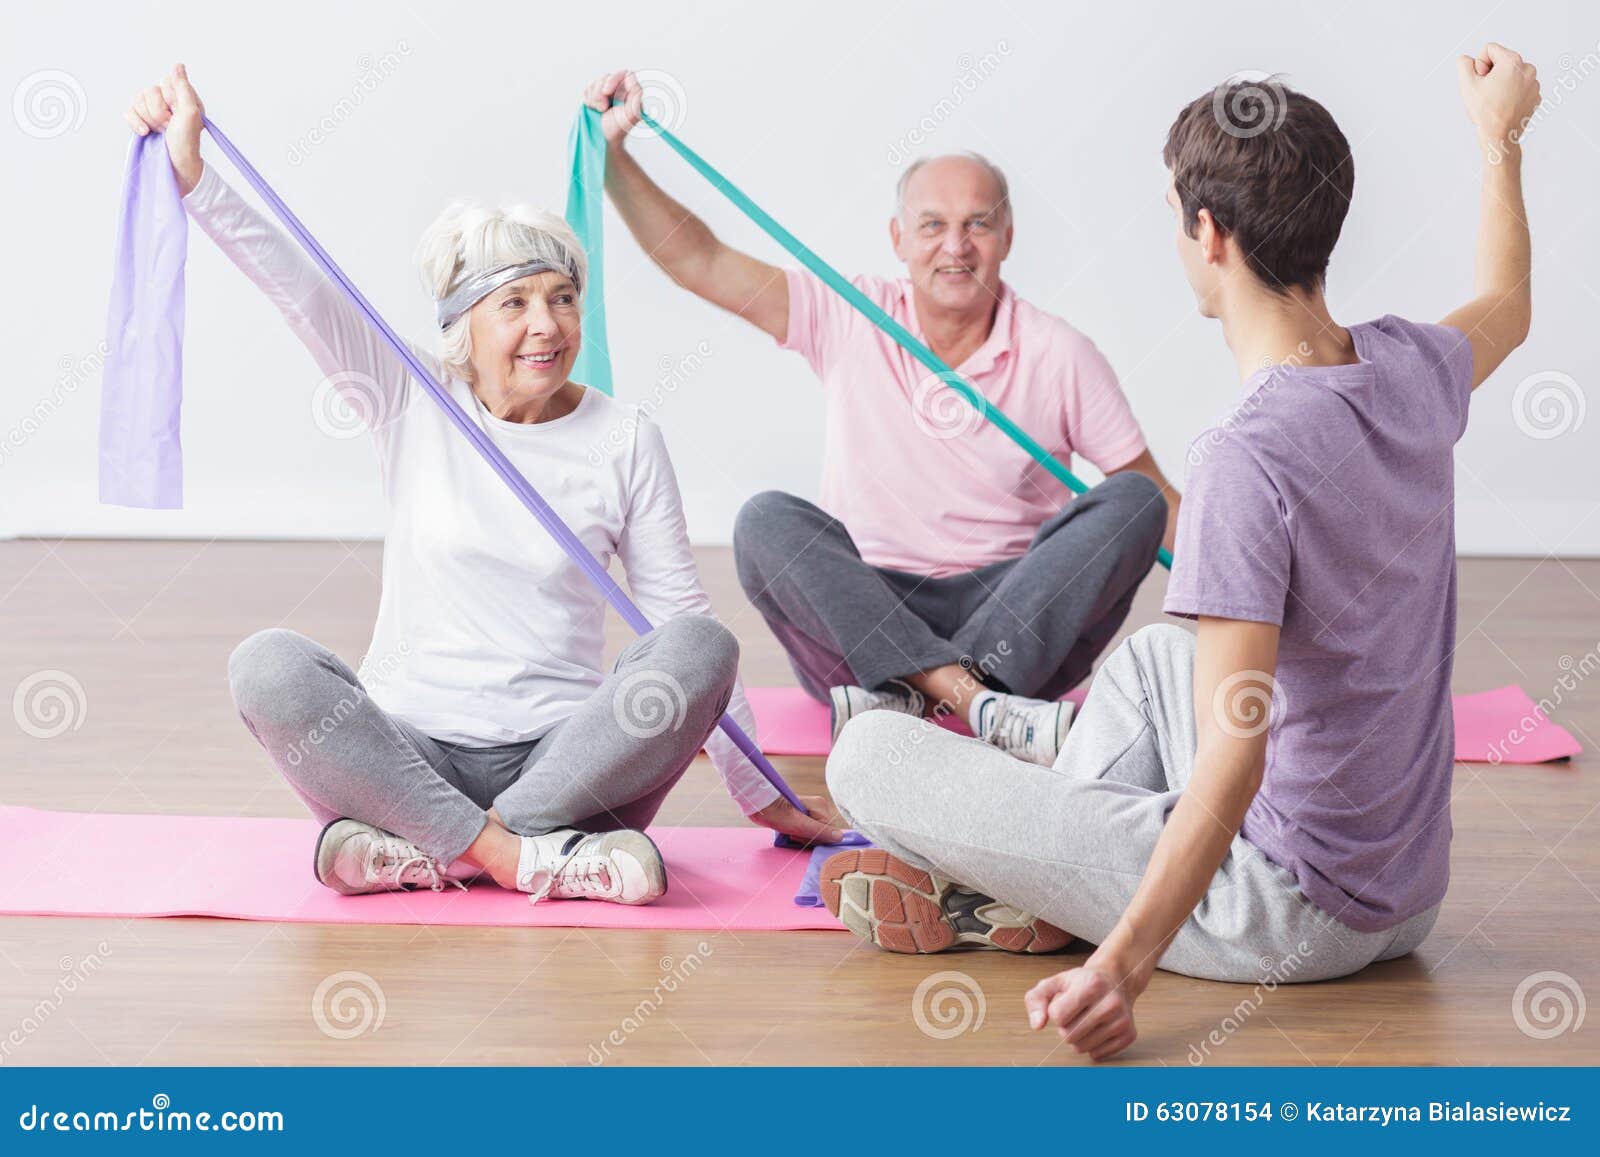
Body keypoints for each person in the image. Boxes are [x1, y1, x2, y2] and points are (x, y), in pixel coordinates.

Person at [820, 45, 1540, 1061]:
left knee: (865, 755)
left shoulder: (1245, 457)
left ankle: (1053, 893)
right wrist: (1498, 137)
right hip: (1407, 897)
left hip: (1287, 909)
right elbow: (1509, 299)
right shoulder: (1410, 365)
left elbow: (1237, 756)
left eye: (1173, 215)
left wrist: (1122, 969)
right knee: (1163, 656)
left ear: (1209, 232)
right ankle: (1036, 882)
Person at [123, 64, 844, 906]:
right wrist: (195, 177)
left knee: (701, 649)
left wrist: (763, 794)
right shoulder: (409, 396)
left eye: (564, 299)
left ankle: (429, 849)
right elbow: (300, 289)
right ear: (461, 326)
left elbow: (677, 614)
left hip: (564, 763)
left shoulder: (625, 437)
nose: (548, 325)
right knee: (268, 668)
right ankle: (533, 857)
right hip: (407, 754)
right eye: (515, 304)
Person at [583, 70, 1178, 766]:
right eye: (933, 225)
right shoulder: (851, 312)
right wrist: (612, 156)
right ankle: (976, 704)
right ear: (898, 237)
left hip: (1014, 625)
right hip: (866, 614)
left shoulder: (1060, 353)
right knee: (765, 521)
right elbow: (700, 260)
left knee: (1133, 502)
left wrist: (1262, 603)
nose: (955, 246)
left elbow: (1158, 501)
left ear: (1007, 236)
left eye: (977, 223)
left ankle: (912, 698)